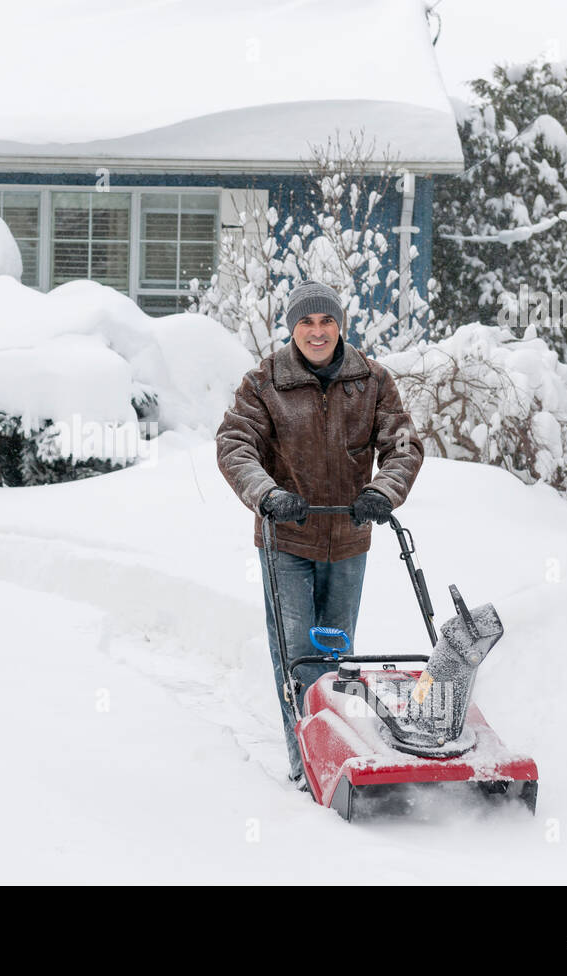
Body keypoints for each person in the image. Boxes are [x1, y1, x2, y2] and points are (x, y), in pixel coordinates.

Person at [215, 281, 425, 790]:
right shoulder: (264, 383)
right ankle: (307, 768)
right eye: (306, 323)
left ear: (340, 326)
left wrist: (383, 492)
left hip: (349, 542)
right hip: (287, 541)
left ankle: (340, 753)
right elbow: (234, 445)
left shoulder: (371, 380)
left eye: (326, 322)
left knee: (338, 661)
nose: (316, 332)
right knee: (299, 659)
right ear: (292, 328)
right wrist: (268, 495)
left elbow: (402, 444)